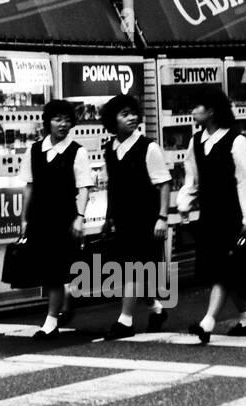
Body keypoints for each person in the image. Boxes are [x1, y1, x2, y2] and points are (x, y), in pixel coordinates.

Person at [177, 86, 246, 344]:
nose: (192, 111)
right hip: (210, 214)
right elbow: (193, 178)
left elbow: (245, 181)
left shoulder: (237, 141)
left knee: (221, 270)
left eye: (197, 106)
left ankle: (207, 322)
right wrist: (184, 205)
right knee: (226, 269)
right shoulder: (196, 142)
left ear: (211, 111)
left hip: (232, 215)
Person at [19, 99, 93, 341]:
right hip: (40, 216)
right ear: (47, 122)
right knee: (49, 268)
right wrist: (24, 218)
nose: (63, 124)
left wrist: (79, 218)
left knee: (55, 268)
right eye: (57, 119)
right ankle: (66, 295)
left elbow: (83, 188)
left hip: (64, 216)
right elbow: (29, 186)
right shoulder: (34, 150)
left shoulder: (77, 151)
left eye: (67, 119)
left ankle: (51, 322)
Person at [99, 94, 172, 339]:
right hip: (122, 219)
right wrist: (108, 218)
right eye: (124, 114)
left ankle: (125, 321)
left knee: (133, 267)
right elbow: (112, 186)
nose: (132, 118)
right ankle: (156, 309)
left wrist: (162, 217)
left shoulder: (148, 147)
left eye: (133, 113)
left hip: (146, 218)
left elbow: (164, 184)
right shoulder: (110, 148)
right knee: (135, 268)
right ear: (113, 120)